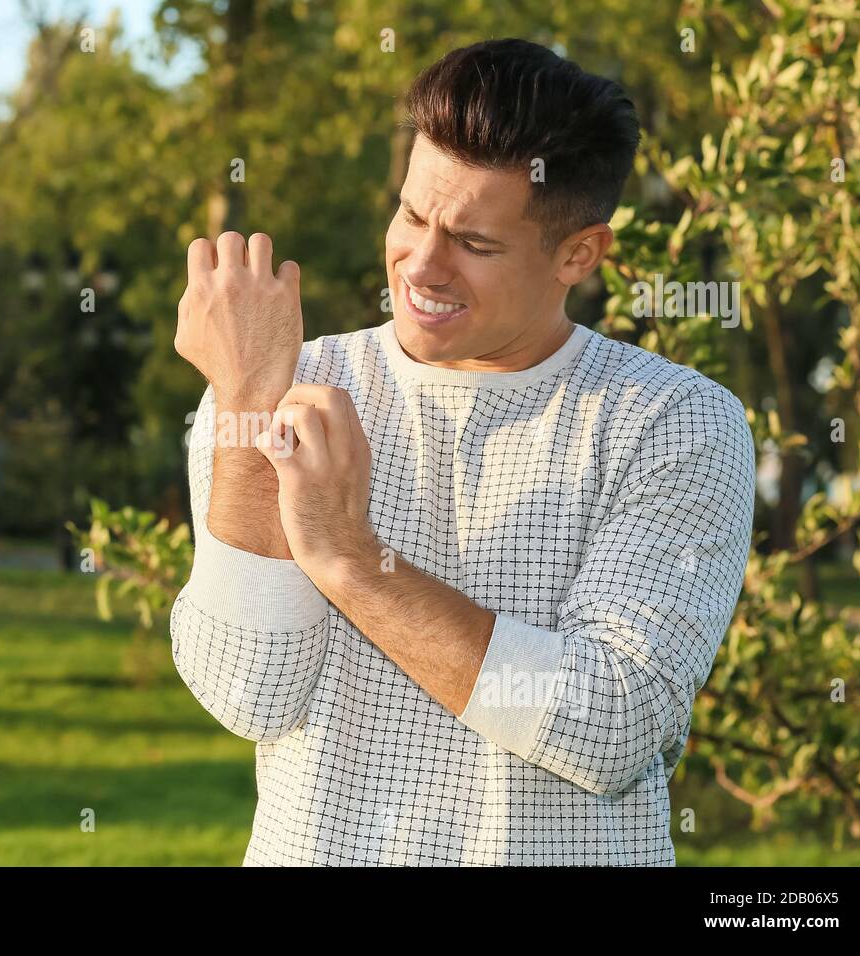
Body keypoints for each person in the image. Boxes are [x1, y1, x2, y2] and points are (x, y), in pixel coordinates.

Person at [169, 37, 756, 866]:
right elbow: (250, 691)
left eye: (475, 244)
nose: (423, 266)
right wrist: (245, 403)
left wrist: (352, 559)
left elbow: (611, 724)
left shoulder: (673, 421)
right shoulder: (279, 386)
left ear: (579, 254)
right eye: (412, 215)